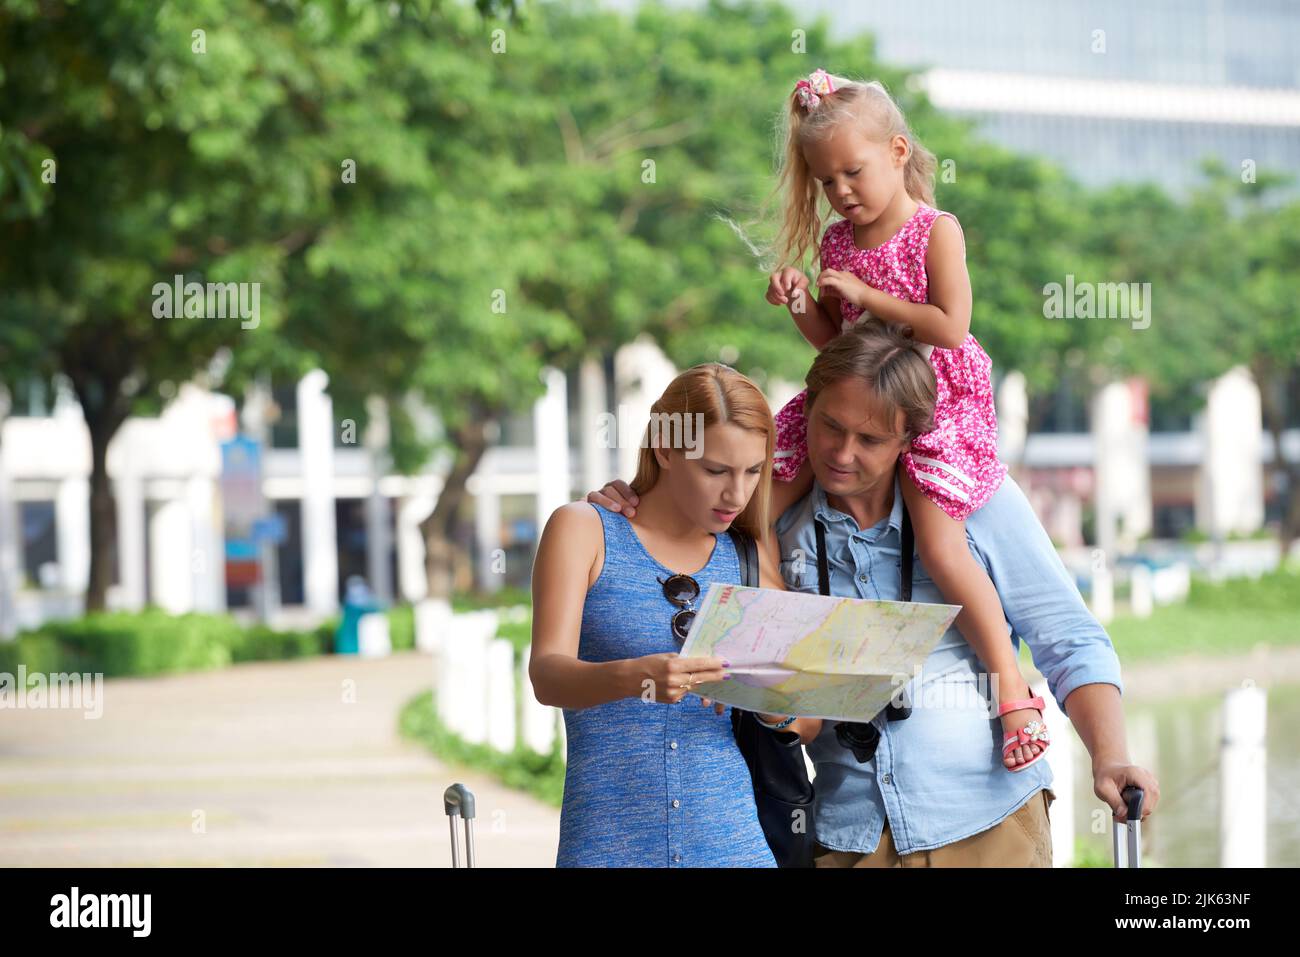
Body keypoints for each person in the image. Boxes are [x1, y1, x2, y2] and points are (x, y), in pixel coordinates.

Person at [590, 323, 1160, 866]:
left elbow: (1069, 638)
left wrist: (1109, 755)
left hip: (989, 825)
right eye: (830, 427)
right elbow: (669, 534)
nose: (841, 453)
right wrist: (625, 504)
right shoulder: (762, 524)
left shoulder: (974, 500)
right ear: (805, 409)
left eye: (870, 439)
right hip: (846, 836)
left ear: (908, 438)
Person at [763, 68, 1045, 772]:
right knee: (771, 485)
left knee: (943, 546)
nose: (841, 193)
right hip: (863, 395)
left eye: (852, 172)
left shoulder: (933, 231)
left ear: (897, 151)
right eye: (826, 182)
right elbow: (838, 345)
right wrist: (802, 300)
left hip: (932, 396)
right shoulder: (835, 243)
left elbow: (950, 326)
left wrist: (869, 294)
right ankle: (761, 644)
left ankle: (1010, 685)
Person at [530, 363, 821, 867]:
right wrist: (632, 677)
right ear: (664, 448)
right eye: (715, 471)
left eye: (753, 471)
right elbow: (546, 676)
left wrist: (770, 702)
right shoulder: (584, 530)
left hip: (736, 847)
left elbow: (808, 720)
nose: (737, 493)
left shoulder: (748, 553)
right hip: (607, 847)